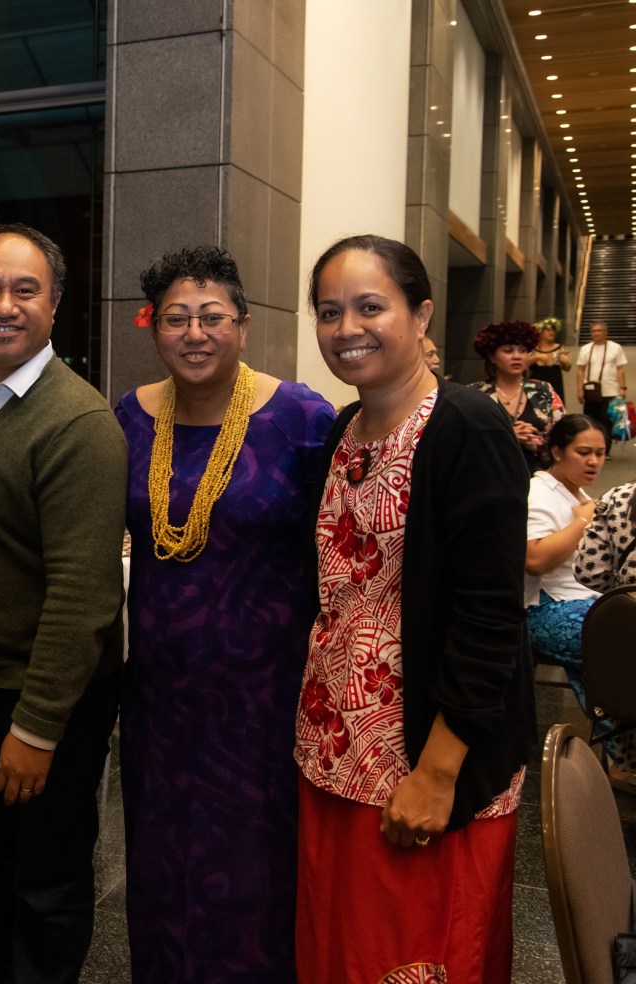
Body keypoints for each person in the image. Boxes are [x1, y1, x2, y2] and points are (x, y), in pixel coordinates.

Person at [297, 234, 536, 981]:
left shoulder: (466, 427)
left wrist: (436, 774)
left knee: (416, 959)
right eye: (329, 312)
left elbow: (490, 617)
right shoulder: (343, 430)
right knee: (341, 954)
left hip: (424, 762)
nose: (347, 328)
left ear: (422, 314)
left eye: (371, 307)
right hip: (336, 751)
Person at [113, 245, 335, 982]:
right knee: (160, 861)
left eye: (212, 317)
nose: (195, 333)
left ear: (243, 324)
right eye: (176, 318)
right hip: (160, 699)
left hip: (266, 699)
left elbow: (339, 552)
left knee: (254, 870)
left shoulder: (301, 418)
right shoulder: (129, 417)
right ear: (153, 327)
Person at [0, 224, 128, 984]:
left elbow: (85, 594)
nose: (4, 306)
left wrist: (37, 728)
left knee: (48, 873)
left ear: (55, 304)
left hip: (46, 697)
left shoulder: (78, 422)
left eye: (25, 290)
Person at [526, 415, 635, 780]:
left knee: (613, 653)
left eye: (600, 453)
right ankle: (624, 758)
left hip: (586, 603)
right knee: (618, 649)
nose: (594, 462)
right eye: (583, 452)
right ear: (557, 451)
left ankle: (622, 760)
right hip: (545, 607)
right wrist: (582, 521)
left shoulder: (582, 496)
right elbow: (535, 560)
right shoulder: (539, 491)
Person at [470, 321, 564, 475]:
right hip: (490, 477)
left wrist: (537, 444)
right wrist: (508, 437)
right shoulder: (476, 393)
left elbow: (565, 439)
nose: (517, 356)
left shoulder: (544, 390)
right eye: (508, 351)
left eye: (523, 350)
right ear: (492, 357)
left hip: (538, 479)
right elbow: (464, 441)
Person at [576, 321, 626, 422]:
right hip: (591, 392)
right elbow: (580, 370)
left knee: (608, 422)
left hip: (611, 392)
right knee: (591, 422)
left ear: (606, 332)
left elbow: (620, 369)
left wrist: (622, 388)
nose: (596, 333)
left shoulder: (616, 348)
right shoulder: (585, 349)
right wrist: (580, 390)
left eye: (599, 331)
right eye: (593, 331)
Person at [529, 320, 570, 400]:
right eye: (548, 330)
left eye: (553, 330)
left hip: (555, 385)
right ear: (540, 333)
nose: (552, 333)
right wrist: (537, 357)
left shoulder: (560, 348)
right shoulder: (532, 349)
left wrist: (566, 363)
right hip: (536, 386)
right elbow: (525, 364)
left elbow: (567, 368)